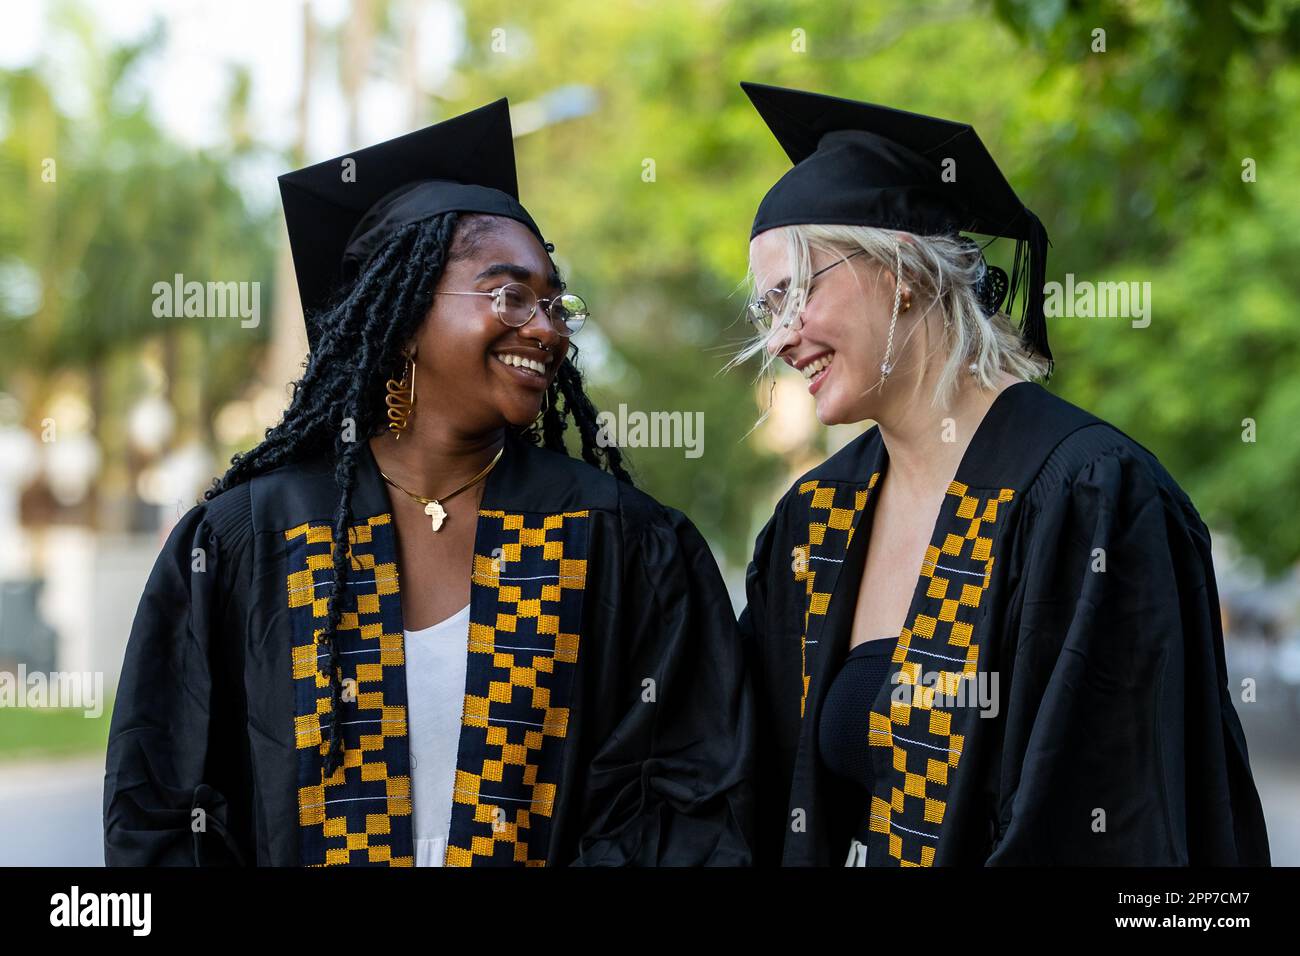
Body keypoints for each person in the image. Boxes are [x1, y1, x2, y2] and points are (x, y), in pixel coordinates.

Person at [103, 99, 751, 867]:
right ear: (404, 311)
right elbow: (165, 810)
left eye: (554, 302)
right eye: (508, 294)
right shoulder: (249, 540)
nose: (545, 327)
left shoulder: (622, 539)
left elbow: (683, 806)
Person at [733, 82, 1270, 866]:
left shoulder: (1092, 499)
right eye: (764, 310)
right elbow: (752, 775)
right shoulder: (818, 518)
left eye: (795, 293)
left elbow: (1119, 821)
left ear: (902, 268)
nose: (781, 336)